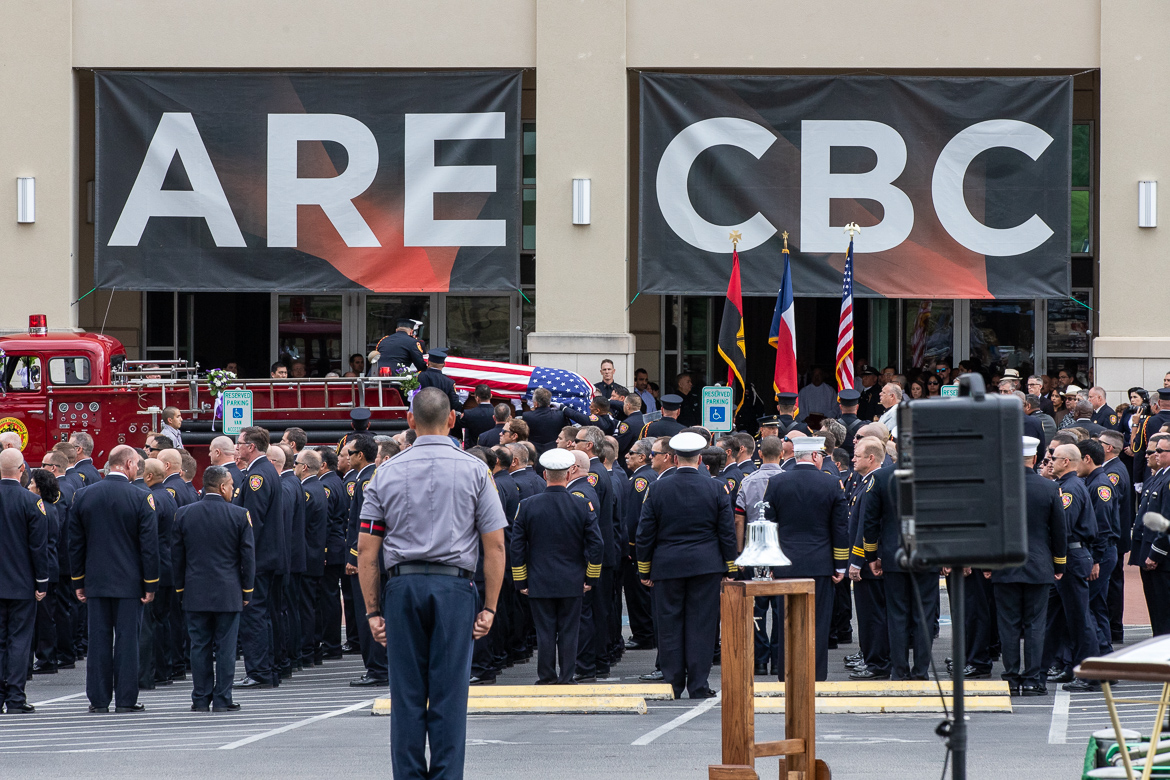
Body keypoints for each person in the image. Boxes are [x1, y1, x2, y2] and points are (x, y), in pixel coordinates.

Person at [356, 387, 507, 780]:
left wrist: (372, 610)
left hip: (402, 587)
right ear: (453, 420)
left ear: (410, 421)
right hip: (454, 588)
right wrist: (489, 606)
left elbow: (367, 550)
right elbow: (495, 545)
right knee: (450, 696)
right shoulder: (475, 470)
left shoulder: (385, 472)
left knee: (406, 696)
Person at [636, 431, 737, 699]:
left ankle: (673, 683)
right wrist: (730, 568)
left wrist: (644, 569)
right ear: (700, 458)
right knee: (702, 626)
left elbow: (645, 533)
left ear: (675, 459)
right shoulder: (717, 488)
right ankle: (698, 685)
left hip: (667, 565)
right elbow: (726, 532)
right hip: (706, 566)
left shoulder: (656, 488)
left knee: (669, 625)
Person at [69, 444, 159, 713]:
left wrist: (78, 581)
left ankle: (98, 700)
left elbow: (75, 544)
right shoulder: (141, 497)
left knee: (98, 641)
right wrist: (150, 584)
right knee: (128, 642)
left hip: (95, 582)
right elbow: (149, 546)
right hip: (130, 584)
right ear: (130, 464)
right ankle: (126, 699)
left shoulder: (83, 496)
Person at [510, 448, 602, 684]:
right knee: (570, 631)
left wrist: (521, 580)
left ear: (544, 474)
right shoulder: (582, 506)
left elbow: (517, 546)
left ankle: (547, 676)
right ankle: (567, 675)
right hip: (572, 579)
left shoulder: (527, 506)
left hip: (539, 580)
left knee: (545, 631)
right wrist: (590, 578)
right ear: (569, 474)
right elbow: (596, 545)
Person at [760, 437, 848, 681]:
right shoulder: (832, 484)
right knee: (817, 622)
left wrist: (770, 563)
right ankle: (815, 673)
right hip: (820, 565)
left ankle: (786, 671)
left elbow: (768, 525)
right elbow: (840, 528)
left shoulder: (776, 482)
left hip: (784, 564)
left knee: (785, 621)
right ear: (816, 456)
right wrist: (839, 565)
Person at [172, 465, 255, 712]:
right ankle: (222, 699)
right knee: (226, 649)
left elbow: (177, 557)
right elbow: (248, 557)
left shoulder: (184, 514)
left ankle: (200, 698)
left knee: (199, 647)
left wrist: (180, 589)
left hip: (195, 592)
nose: (234, 490)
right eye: (231, 486)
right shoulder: (240, 515)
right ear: (222, 487)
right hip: (228, 592)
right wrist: (247, 590)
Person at [990, 437, 1066, 695]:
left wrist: (989, 563)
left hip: (1005, 564)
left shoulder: (998, 487)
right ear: (1034, 459)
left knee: (1008, 624)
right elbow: (1059, 531)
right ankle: (1033, 679)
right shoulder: (1048, 488)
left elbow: (990, 530)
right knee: (1035, 624)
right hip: (1038, 564)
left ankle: (1011, 678)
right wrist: (1059, 563)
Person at [863, 448, 939, 681]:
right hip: (928, 554)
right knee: (924, 614)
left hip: (894, 555)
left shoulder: (882, 477)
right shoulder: (934, 476)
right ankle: (921, 671)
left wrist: (871, 556)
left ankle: (899, 670)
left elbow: (870, 521)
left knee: (897, 614)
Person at [1044, 444, 1102, 692]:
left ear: (1066, 461)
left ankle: (1090, 673)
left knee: (1080, 618)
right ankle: (1067, 666)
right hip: (1069, 555)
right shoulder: (1068, 486)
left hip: (1072, 555)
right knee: (1059, 617)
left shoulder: (1069, 489)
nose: (1050, 462)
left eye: (1054, 458)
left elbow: (1062, 527)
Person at [232, 427, 285, 690]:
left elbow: (251, 522)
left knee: (254, 614)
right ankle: (267, 669)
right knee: (263, 614)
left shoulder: (257, 476)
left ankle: (259, 671)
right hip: (269, 556)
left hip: (260, 558)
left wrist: (244, 558)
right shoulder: (265, 471)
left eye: (239, 443)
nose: (237, 447)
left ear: (251, 446)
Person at [0, 449, 49, 713]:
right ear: (22, 470)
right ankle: (16, 697)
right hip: (21, 584)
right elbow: (38, 548)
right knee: (19, 641)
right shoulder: (31, 502)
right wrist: (42, 582)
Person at [733, 435, 785, 675]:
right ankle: (779, 658)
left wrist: (740, 551)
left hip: (755, 550)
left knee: (757, 607)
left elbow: (739, 519)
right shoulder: (787, 480)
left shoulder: (748, 481)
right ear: (782, 454)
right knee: (780, 606)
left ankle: (760, 659)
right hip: (780, 550)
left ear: (759, 455)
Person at [569, 427, 616, 682]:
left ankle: (596, 661)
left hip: (596, 555)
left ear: (588, 446)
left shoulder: (593, 475)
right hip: (601, 553)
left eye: (576, 441)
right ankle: (599, 661)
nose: (571, 444)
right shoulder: (598, 471)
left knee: (594, 612)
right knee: (598, 611)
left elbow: (586, 520)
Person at [342, 434, 387, 687]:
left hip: (368, 559)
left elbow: (363, 525)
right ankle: (379, 666)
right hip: (371, 556)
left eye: (350, 453)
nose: (346, 457)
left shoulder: (365, 481)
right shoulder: (365, 478)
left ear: (361, 455)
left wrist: (354, 557)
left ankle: (377, 668)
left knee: (368, 611)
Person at [1076, 439, 1120, 657]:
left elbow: (1102, 529)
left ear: (1087, 459)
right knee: (1097, 606)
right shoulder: (1092, 482)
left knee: (1086, 607)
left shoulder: (1099, 485)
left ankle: (1099, 658)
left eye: (1077, 460)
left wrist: (1095, 560)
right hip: (1100, 554)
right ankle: (1105, 657)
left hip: (1100, 554)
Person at [139, 458, 178, 691]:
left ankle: (154, 671)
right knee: (163, 621)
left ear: (149, 476)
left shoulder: (152, 498)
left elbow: (149, 537)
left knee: (150, 623)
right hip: (168, 565)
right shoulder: (169, 496)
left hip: (157, 568)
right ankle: (165, 669)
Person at [1130, 433, 1170, 635]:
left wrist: (1155, 554)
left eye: (1160, 451)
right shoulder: (1159, 476)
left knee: (1163, 613)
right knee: (1156, 610)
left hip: (1161, 559)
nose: (1155, 455)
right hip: (1148, 552)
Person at [621, 438, 658, 652]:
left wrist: (631, 546)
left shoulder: (640, 479)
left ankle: (643, 635)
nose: (627, 456)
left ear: (642, 457)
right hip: (647, 547)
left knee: (637, 594)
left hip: (637, 548)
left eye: (632, 453)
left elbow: (634, 517)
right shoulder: (649, 475)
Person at [295, 448, 328, 669]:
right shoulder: (318, 488)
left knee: (305, 606)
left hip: (307, 556)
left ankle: (307, 649)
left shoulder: (306, 491)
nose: (294, 466)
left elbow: (300, 525)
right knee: (313, 605)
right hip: (315, 555)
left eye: (296, 463)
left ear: (304, 467)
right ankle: (314, 648)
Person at [314, 446, 348, 662]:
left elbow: (323, 522)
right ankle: (332, 643)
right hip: (337, 546)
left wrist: (322, 550)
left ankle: (331, 644)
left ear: (323, 464)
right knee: (331, 596)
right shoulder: (336, 481)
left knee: (327, 597)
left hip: (330, 548)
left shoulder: (326, 485)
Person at [1099, 430, 1132, 645]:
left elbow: (1109, 502)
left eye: (1099, 443)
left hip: (1114, 537)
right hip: (1115, 535)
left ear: (1109, 448)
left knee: (1112, 585)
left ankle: (1114, 629)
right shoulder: (1110, 468)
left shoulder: (1114, 472)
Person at [837, 389, 866, 456]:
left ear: (840, 407)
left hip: (838, 463)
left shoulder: (831, 426)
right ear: (857, 407)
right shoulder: (865, 426)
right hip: (858, 462)